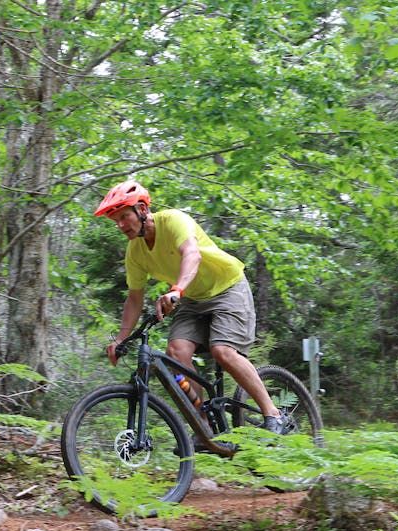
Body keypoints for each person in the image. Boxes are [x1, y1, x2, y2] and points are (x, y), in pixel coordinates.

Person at [95, 180, 289, 434]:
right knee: (176, 352)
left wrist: (176, 290)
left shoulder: (173, 220)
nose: (120, 225)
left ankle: (273, 414)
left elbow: (191, 254)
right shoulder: (135, 252)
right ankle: (204, 427)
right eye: (115, 221)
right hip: (192, 299)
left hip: (227, 287)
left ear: (142, 210)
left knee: (224, 351)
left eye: (124, 217)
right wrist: (121, 338)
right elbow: (134, 297)